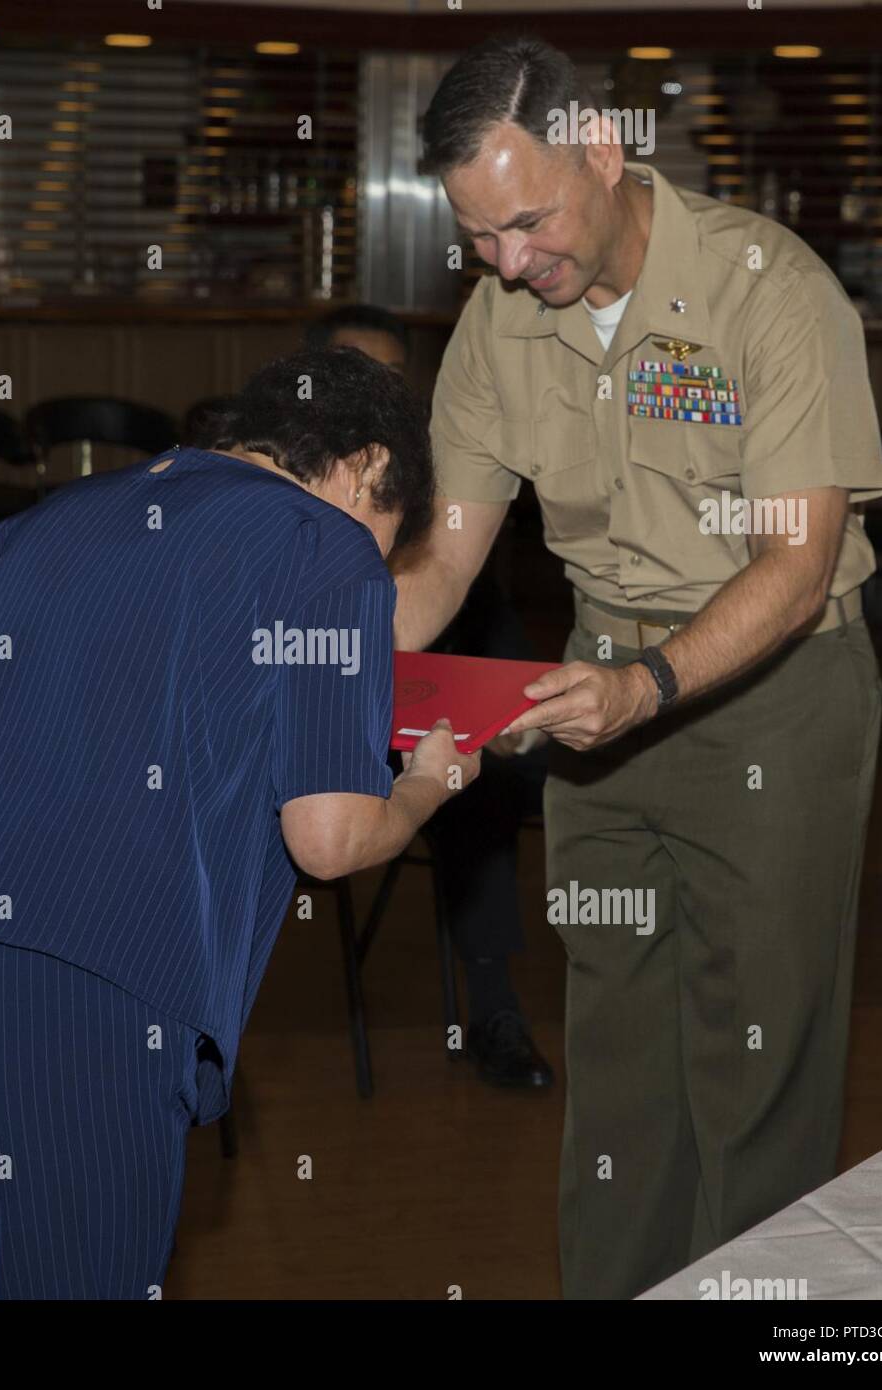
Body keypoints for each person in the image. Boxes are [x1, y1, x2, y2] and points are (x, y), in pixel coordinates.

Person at [0, 346, 481, 1299]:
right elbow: (329, 838)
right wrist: (425, 786)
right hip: (68, 998)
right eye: (386, 534)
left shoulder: (41, 524)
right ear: (371, 468)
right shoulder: (323, 542)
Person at [396, 35, 882, 1298]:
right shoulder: (500, 321)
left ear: (601, 150)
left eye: (527, 220)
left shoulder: (764, 289)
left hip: (771, 691)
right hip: (589, 697)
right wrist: (327, 655)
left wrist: (649, 686)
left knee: (756, 1055)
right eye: (479, 237)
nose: (507, 262)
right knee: (614, 1051)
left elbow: (792, 563)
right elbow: (445, 562)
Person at [306, 303, 554, 1088]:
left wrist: (503, 727)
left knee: (472, 777)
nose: (370, 395)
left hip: (420, 718)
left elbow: (492, 650)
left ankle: (493, 1008)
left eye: (388, 379)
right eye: (350, 372)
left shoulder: (440, 491)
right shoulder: (279, 478)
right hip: (310, 716)